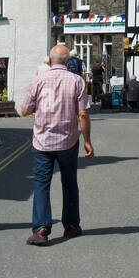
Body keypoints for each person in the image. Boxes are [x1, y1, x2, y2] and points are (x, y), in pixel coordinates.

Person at [19, 44, 93, 245]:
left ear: (50, 61)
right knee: (69, 183)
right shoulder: (77, 81)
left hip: (43, 142)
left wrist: (37, 108)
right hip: (68, 141)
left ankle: (41, 230)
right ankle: (71, 226)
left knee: (41, 185)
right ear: (68, 62)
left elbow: (24, 110)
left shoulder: (38, 81)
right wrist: (87, 141)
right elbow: (83, 113)